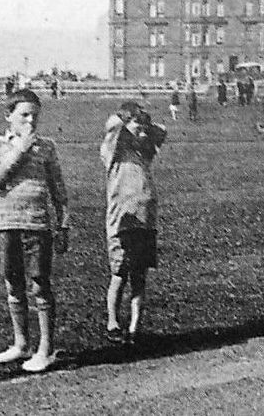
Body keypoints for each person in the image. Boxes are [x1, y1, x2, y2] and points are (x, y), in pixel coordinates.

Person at [0, 89, 68, 373]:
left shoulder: (46, 147)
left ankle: (46, 349)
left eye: (35, 116)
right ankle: (21, 344)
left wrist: (63, 223)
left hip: (37, 222)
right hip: (7, 222)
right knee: (12, 281)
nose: (31, 121)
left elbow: (58, 189)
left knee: (40, 283)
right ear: (9, 116)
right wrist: (20, 149)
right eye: (24, 115)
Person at [99, 101, 167, 345]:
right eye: (136, 126)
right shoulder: (114, 152)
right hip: (121, 222)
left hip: (144, 220)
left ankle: (135, 327)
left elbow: (162, 131)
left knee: (140, 277)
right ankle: (113, 322)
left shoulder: (143, 152)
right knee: (119, 274)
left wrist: (142, 124)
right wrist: (128, 118)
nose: (142, 131)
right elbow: (113, 127)